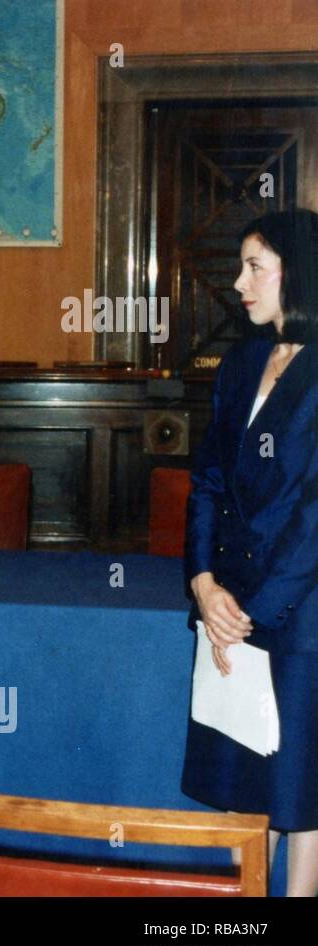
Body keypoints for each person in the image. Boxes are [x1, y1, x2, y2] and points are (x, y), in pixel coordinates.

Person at [183, 208, 318, 897]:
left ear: (296, 273)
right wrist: (205, 584)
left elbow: (314, 517)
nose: (239, 282)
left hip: (297, 621)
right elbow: (206, 477)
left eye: (254, 267)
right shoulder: (239, 360)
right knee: (244, 793)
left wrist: (253, 613)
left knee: (299, 797)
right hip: (228, 605)